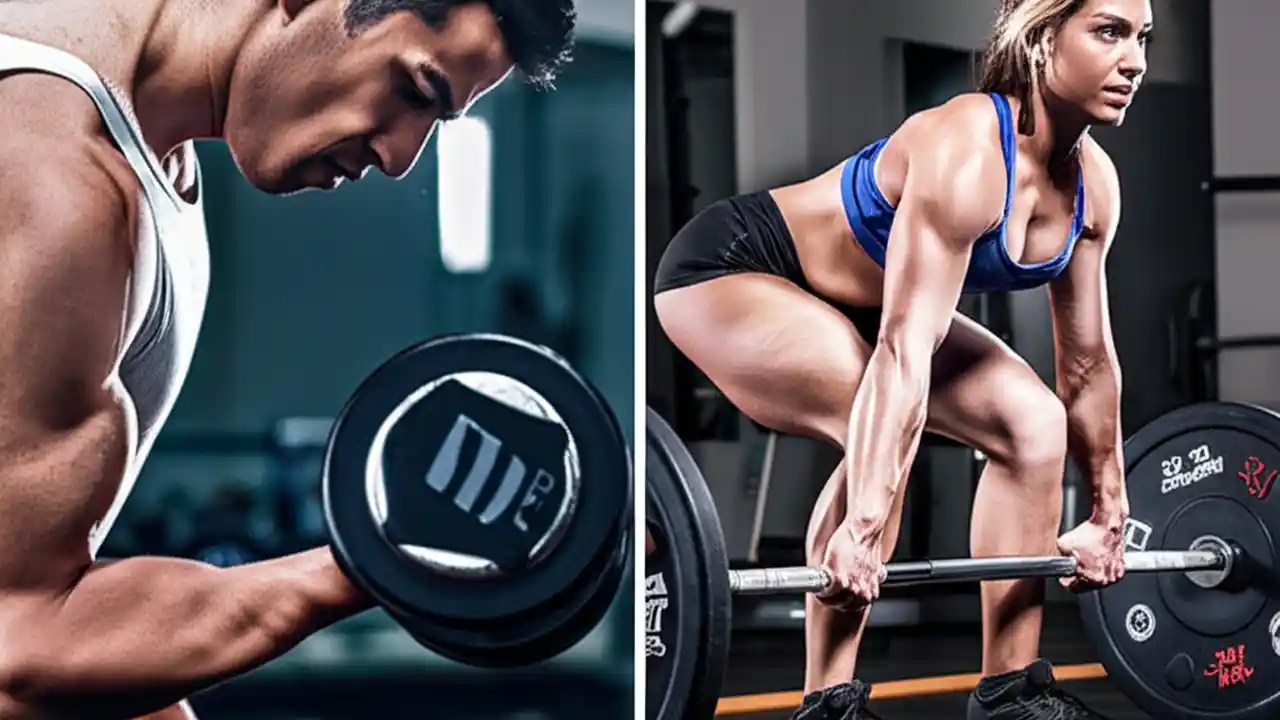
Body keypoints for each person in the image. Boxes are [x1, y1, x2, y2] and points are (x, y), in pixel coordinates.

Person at [0, 0, 573, 716]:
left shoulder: (138, 142)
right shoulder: (59, 187)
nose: (399, 160)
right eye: (413, 90)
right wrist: (381, 559)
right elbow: (19, 648)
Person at [653, 0, 1152, 717]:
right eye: (1109, 32)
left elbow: (1087, 365)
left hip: (872, 304)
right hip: (737, 271)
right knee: (879, 412)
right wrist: (861, 530)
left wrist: (1109, 510)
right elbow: (902, 352)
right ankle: (828, 702)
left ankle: (1010, 692)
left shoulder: (1093, 188)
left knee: (1035, 424)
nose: (1134, 60)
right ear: (1042, 40)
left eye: (1143, 38)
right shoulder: (967, 147)